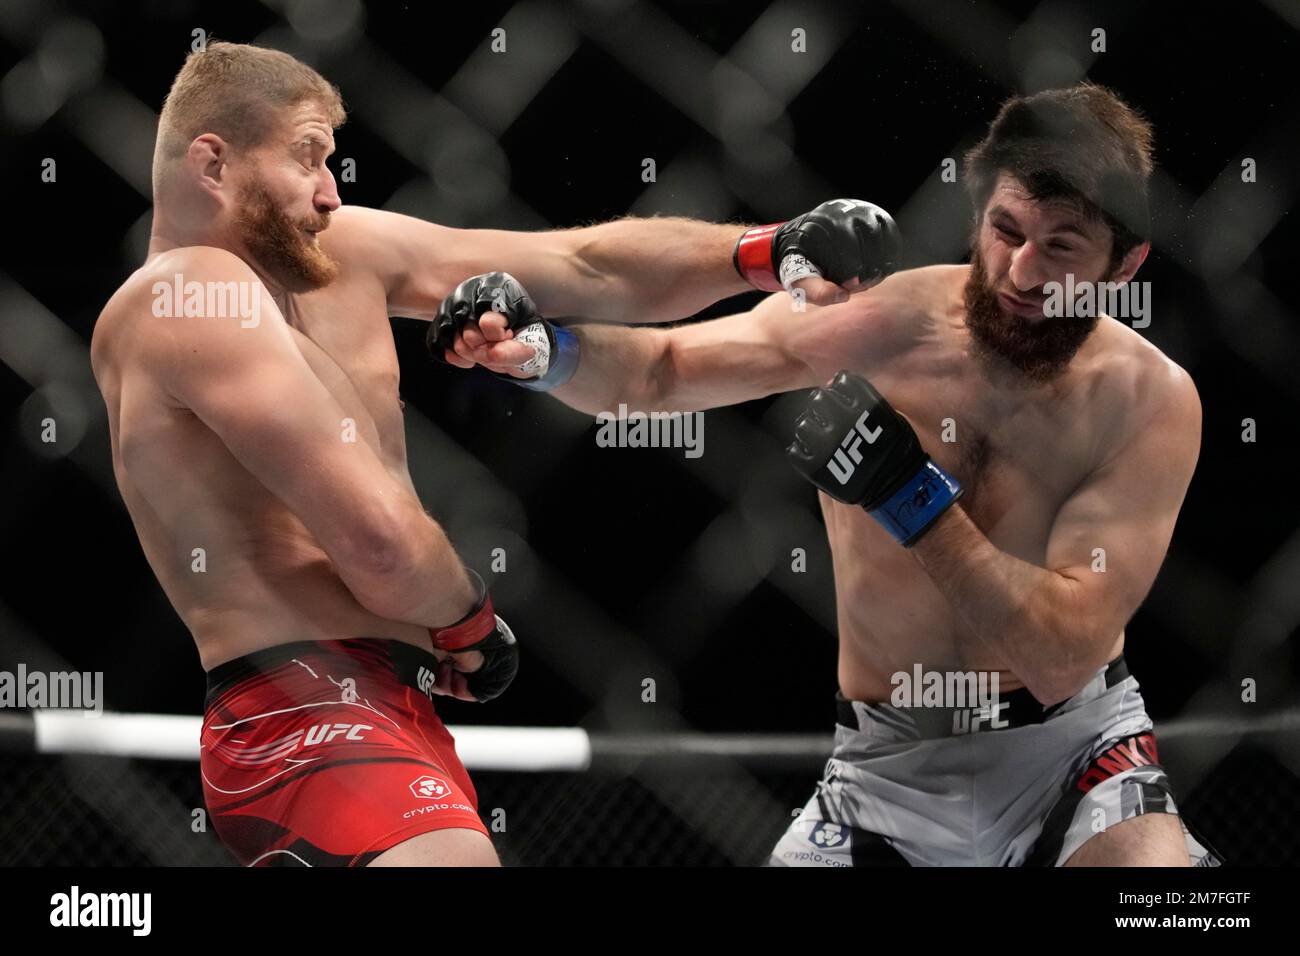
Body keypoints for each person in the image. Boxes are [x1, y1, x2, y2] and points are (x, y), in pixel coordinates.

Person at [89, 41, 889, 866]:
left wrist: (762, 250)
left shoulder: (344, 254)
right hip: (307, 704)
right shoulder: (182, 293)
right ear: (212, 164)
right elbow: (377, 543)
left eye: (333, 161)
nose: (331, 192)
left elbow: (579, 265)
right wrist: (466, 617)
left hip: (392, 705)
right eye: (306, 158)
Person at [439, 83, 1222, 866]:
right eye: (1005, 230)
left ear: (1126, 265)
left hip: (1074, 754)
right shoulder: (887, 323)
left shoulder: (1147, 400)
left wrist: (909, 496)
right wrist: (545, 353)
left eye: (1061, 247)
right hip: (884, 769)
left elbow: (1058, 658)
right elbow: (663, 371)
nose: (1020, 272)